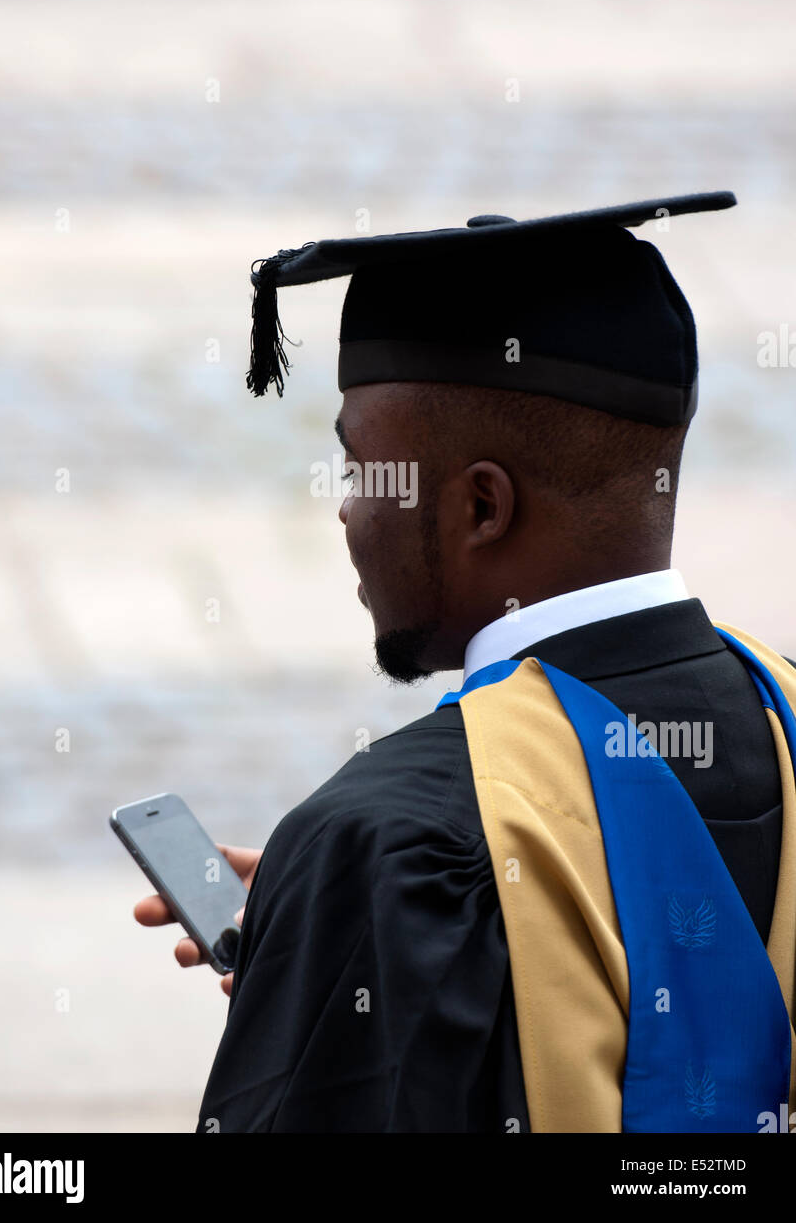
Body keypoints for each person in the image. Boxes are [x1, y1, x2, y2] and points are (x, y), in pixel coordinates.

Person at [135, 192, 796, 1132]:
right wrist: (328, 934)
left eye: (361, 472)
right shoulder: (783, 714)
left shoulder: (392, 841)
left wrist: (345, 912)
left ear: (482, 507)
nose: (346, 512)